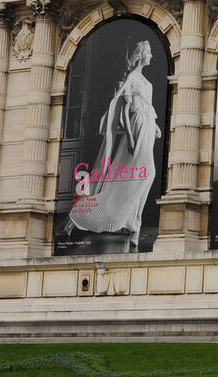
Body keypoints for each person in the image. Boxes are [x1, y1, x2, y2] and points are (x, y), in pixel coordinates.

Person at [66, 39, 162, 252]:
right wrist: (129, 137)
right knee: (139, 176)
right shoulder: (133, 79)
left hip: (146, 128)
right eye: (149, 53)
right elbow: (124, 112)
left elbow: (149, 108)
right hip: (136, 129)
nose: (152, 56)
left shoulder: (148, 83)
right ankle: (83, 215)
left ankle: (133, 223)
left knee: (145, 175)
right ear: (141, 55)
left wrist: (154, 126)